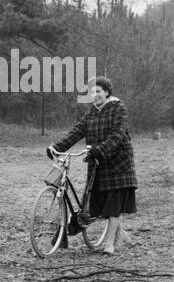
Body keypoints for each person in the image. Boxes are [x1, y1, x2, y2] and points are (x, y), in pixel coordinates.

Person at [46, 75, 137, 255]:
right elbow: (77, 132)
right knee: (98, 204)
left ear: (107, 92)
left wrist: (100, 149)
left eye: (98, 91)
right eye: (92, 92)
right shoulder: (92, 113)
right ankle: (121, 235)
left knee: (113, 205)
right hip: (98, 163)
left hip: (118, 164)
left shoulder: (119, 109)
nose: (94, 95)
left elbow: (117, 135)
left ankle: (110, 243)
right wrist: (56, 147)